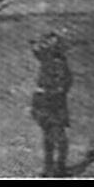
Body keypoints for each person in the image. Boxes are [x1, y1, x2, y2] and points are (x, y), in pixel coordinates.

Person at [31, 31, 72, 178]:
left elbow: (36, 48)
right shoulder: (52, 60)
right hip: (51, 101)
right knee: (57, 137)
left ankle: (52, 168)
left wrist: (44, 40)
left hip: (47, 100)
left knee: (52, 136)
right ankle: (57, 168)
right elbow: (35, 47)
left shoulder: (50, 59)